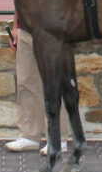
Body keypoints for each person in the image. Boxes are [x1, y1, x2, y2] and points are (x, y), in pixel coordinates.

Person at [4, 17, 70, 153]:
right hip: (25, 28)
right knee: (26, 82)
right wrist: (16, 27)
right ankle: (30, 136)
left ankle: (58, 139)